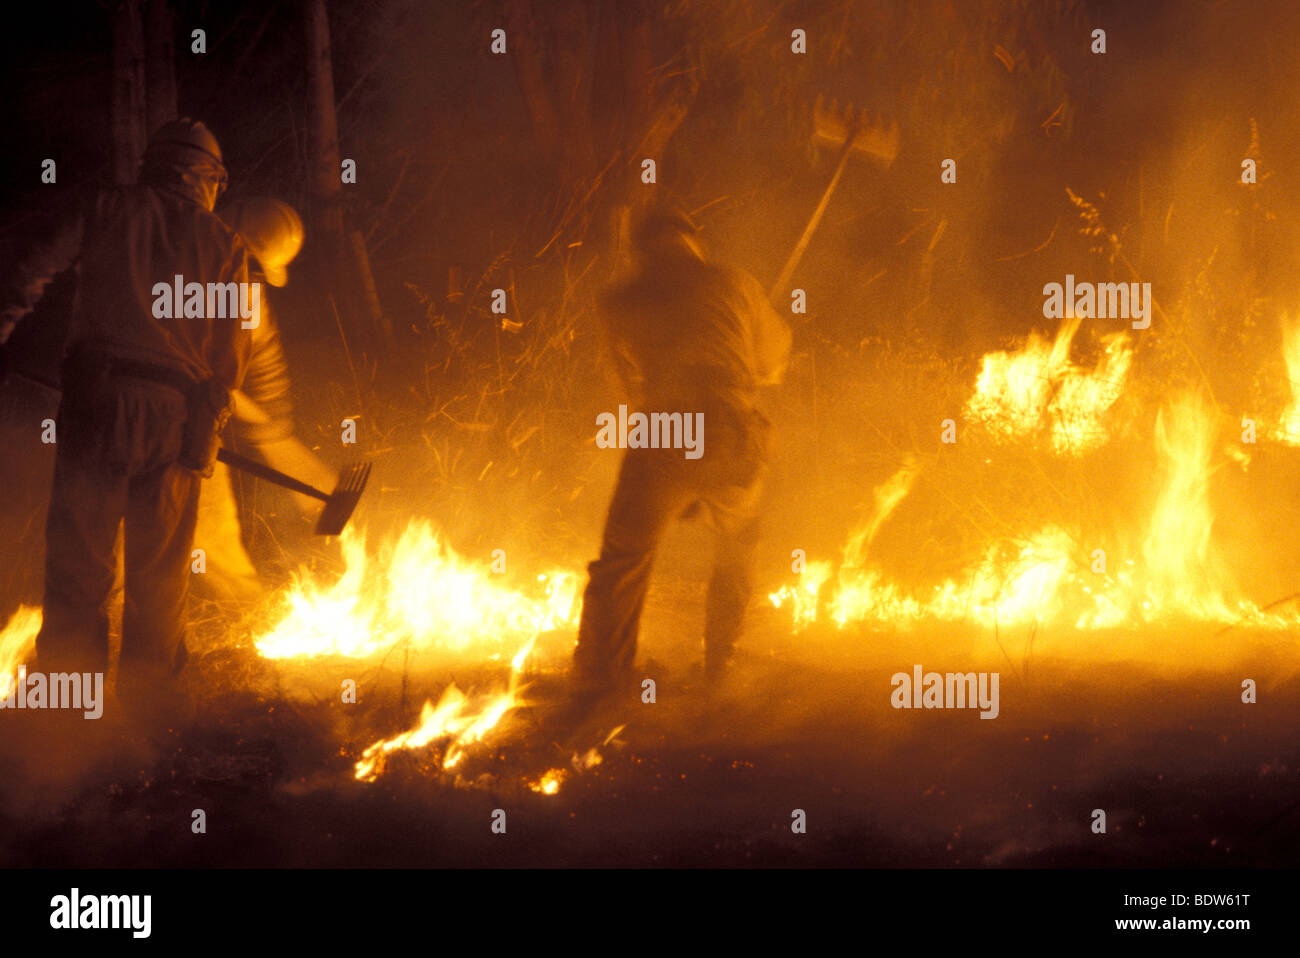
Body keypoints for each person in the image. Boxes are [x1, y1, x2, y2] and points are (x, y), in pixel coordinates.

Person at [0, 119, 253, 725]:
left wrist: (4, 323)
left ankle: (64, 725)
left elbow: (29, 266)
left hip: (98, 401)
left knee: (79, 566)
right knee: (160, 576)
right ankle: (150, 724)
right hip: (174, 413)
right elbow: (228, 358)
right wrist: (207, 427)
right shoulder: (226, 246)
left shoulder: (107, 208)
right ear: (209, 178)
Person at [570, 208, 792, 709]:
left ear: (642, 251)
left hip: (666, 431)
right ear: (693, 242)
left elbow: (623, 386)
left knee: (623, 559)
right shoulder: (735, 283)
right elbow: (774, 362)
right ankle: (721, 665)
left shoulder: (620, 300)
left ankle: (601, 684)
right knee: (738, 544)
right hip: (732, 432)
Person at [192, 196, 334, 600]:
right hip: (152, 412)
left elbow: (263, 353)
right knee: (202, 520)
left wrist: (276, 429)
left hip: (192, 414)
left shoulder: (243, 287)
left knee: (209, 520)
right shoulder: (180, 267)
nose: (251, 277)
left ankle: (244, 610)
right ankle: (246, 613)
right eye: (251, 265)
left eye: (255, 270)